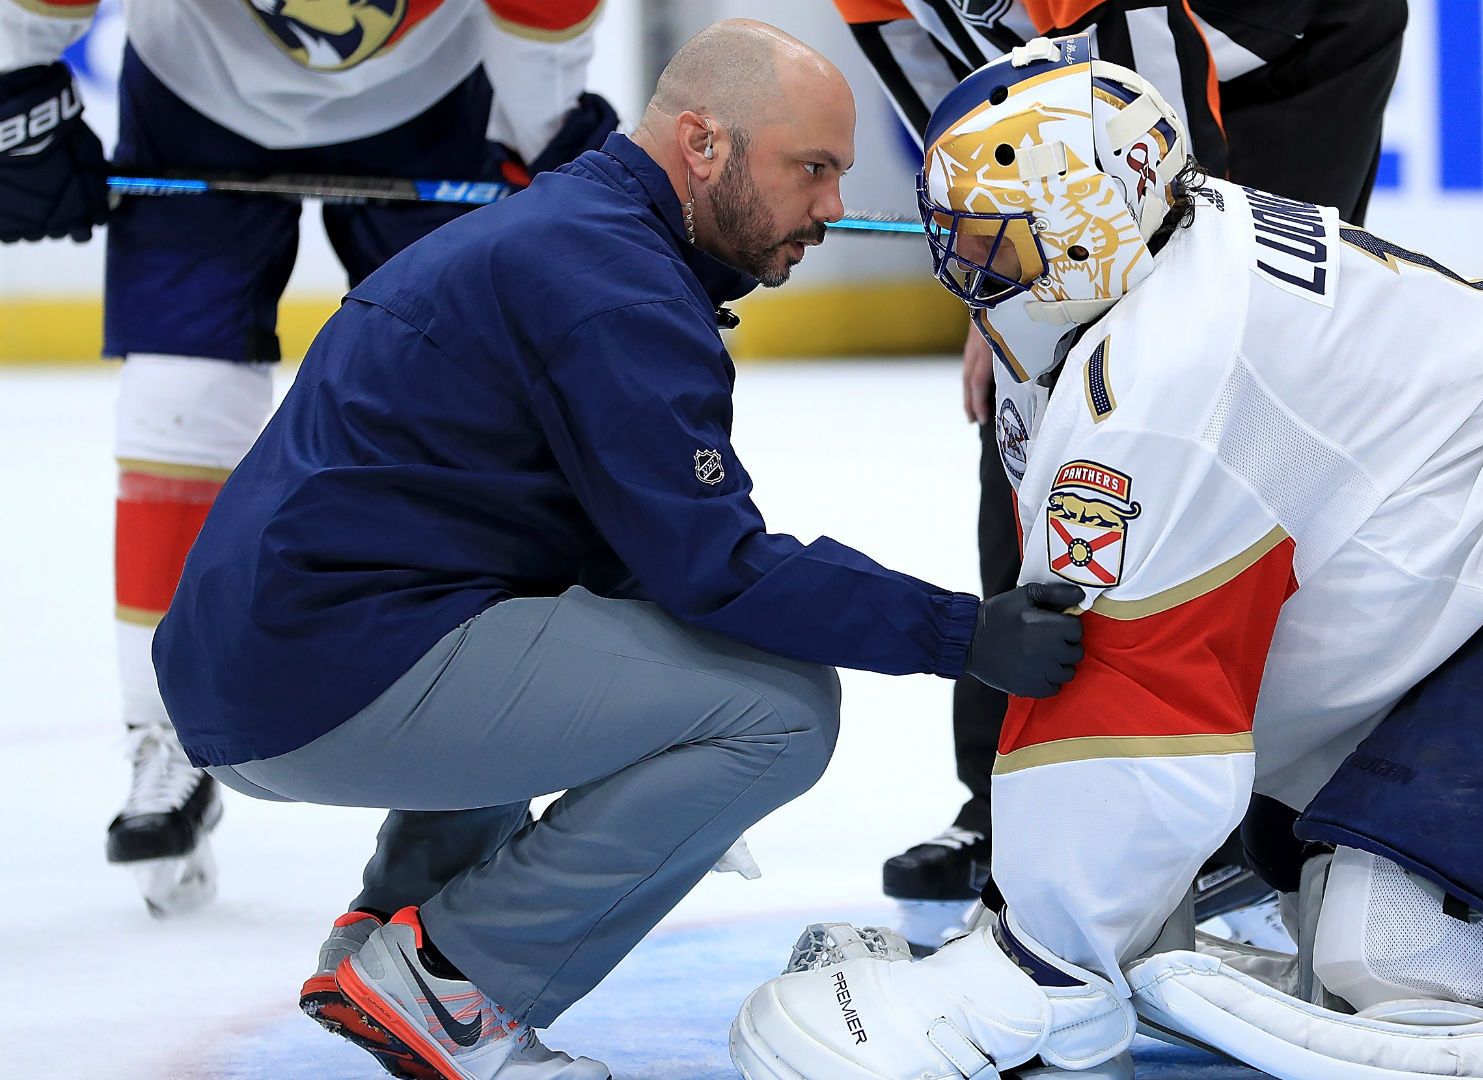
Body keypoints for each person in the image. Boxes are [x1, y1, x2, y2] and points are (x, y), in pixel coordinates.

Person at [730, 38, 1483, 1080]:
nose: (966, 275)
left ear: (1084, 233)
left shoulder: (1160, 378)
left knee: (1400, 944)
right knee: (1325, 877)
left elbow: (1141, 695)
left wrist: (1041, 961)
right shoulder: (1151, 266)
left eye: (989, 243)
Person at [151, 21, 1086, 1080]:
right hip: (317, 672)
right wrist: (965, 632)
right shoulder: (616, 288)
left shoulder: (575, 234)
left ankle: (397, 929)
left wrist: (664, 774)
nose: (832, 207)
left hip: (267, 656)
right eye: (811, 170)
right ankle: (455, 982)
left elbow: (617, 557)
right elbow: (714, 567)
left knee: (564, 617)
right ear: (704, 144)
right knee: (781, 713)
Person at [0, 0, 618, 917]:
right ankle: (160, 731)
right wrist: (17, 75)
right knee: (179, 404)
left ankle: (483, 733)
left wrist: (547, 132)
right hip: (194, 90)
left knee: (472, 408)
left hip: (434, 100)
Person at [832, 0, 1406, 927]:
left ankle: (1249, 805)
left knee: (1225, 379)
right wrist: (1002, 295)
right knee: (1034, 386)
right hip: (1088, 88)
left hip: (1292, 43)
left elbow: (1166, 131)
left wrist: (1147, 295)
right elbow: (956, 115)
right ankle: (1004, 797)